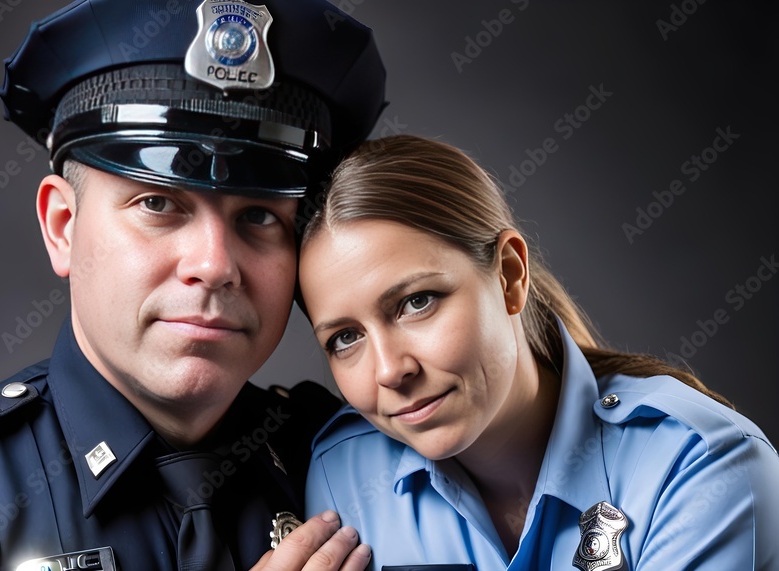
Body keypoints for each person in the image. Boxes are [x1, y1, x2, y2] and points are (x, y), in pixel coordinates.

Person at [0, 1, 387, 569]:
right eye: (158, 203)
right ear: (62, 227)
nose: (214, 264)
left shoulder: (361, 466)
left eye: (259, 216)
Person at [298, 134, 779, 570]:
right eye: (345, 338)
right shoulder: (343, 473)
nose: (389, 371)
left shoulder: (700, 467)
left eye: (416, 303)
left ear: (509, 274)